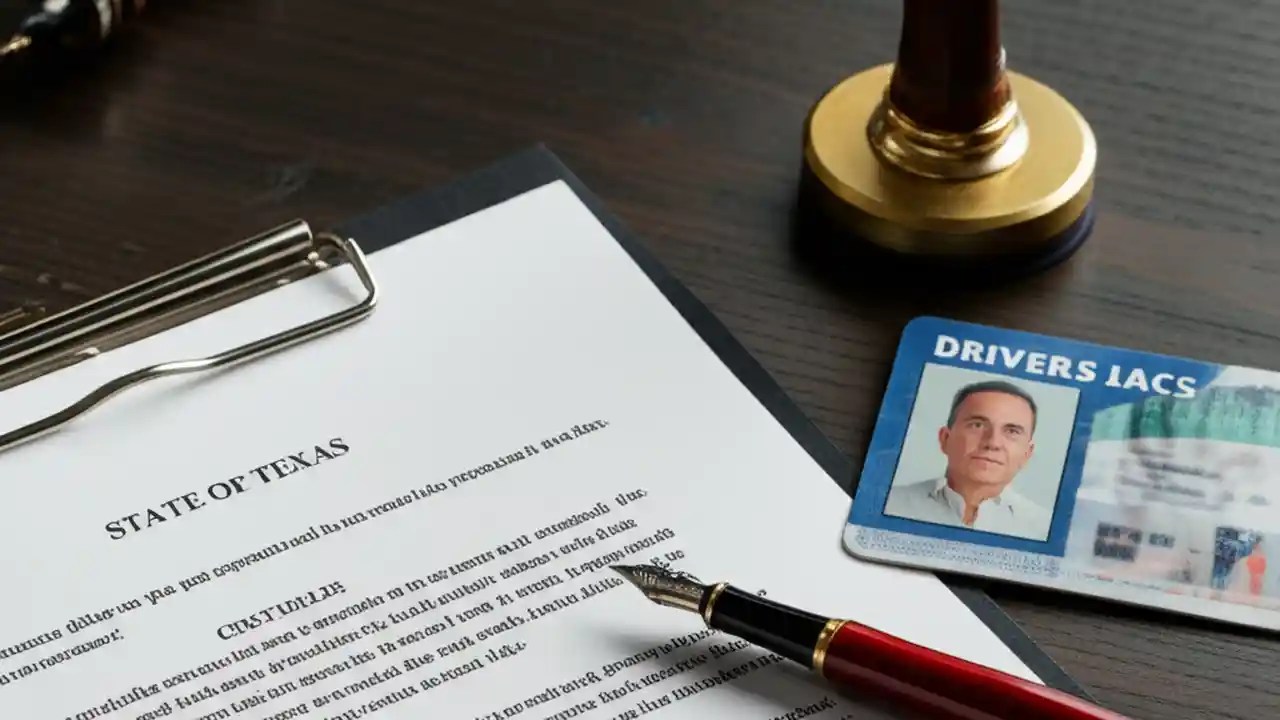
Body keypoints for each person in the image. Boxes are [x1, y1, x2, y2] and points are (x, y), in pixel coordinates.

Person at [885, 379, 1052, 540]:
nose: (993, 443)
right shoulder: (888, 503)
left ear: (1027, 454)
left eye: (1012, 431)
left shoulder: (1043, 528)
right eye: (977, 425)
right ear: (945, 439)